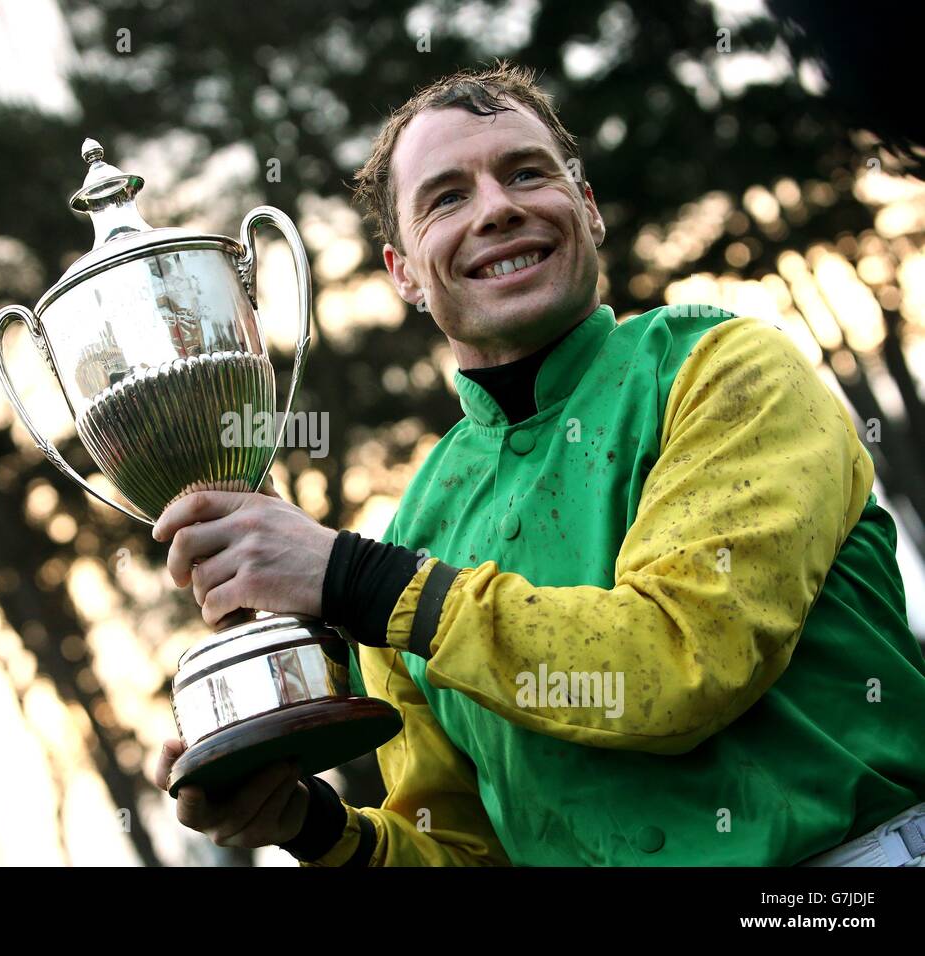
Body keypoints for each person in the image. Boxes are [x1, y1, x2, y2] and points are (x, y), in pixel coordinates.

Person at [151, 63, 925, 866]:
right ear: (404, 272)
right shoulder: (412, 536)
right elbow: (465, 850)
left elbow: (682, 661)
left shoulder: (727, 370)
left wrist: (359, 581)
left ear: (586, 210)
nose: (499, 208)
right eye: (447, 197)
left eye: (527, 173)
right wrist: (313, 827)